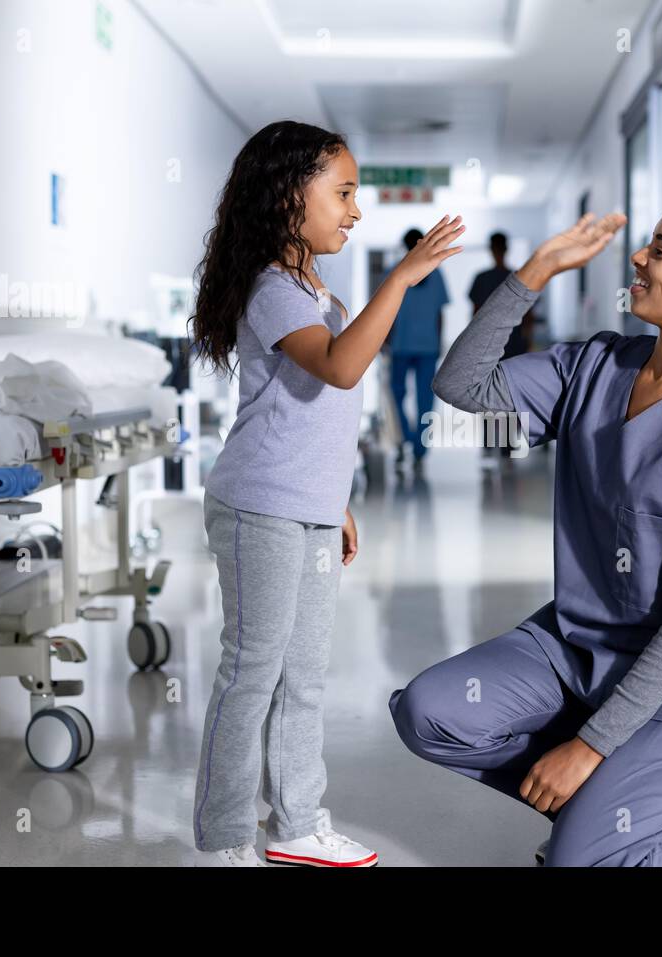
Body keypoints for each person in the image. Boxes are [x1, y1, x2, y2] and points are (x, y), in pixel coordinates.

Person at [390, 197, 662, 866]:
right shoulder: (595, 366)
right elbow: (462, 385)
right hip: (576, 647)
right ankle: (609, 809)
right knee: (427, 710)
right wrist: (535, 270)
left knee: (585, 861)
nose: (638, 257)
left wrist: (589, 747)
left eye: (659, 250)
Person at [189, 120, 464, 867]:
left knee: (304, 675)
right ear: (288, 197)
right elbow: (340, 369)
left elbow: (316, 411)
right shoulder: (273, 289)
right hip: (259, 506)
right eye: (342, 192)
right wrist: (402, 277)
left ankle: (298, 822)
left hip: (305, 507)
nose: (354, 210)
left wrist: (333, 498)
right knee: (253, 670)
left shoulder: (316, 288)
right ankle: (221, 839)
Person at [387, 228, 450, 475]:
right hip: (425, 346)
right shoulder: (436, 273)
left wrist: (385, 342)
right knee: (425, 400)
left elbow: (386, 312)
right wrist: (437, 342)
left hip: (401, 345)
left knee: (397, 396)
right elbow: (439, 314)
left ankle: (406, 440)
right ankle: (419, 448)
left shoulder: (395, 269)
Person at [469, 231, 535, 463]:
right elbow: (529, 315)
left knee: (488, 392)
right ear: (505, 249)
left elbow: (475, 315)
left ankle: (491, 441)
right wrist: (527, 338)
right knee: (509, 392)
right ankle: (505, 443)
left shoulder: (483, 279)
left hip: (491, 345)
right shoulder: (516, 277)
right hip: (512, 344)